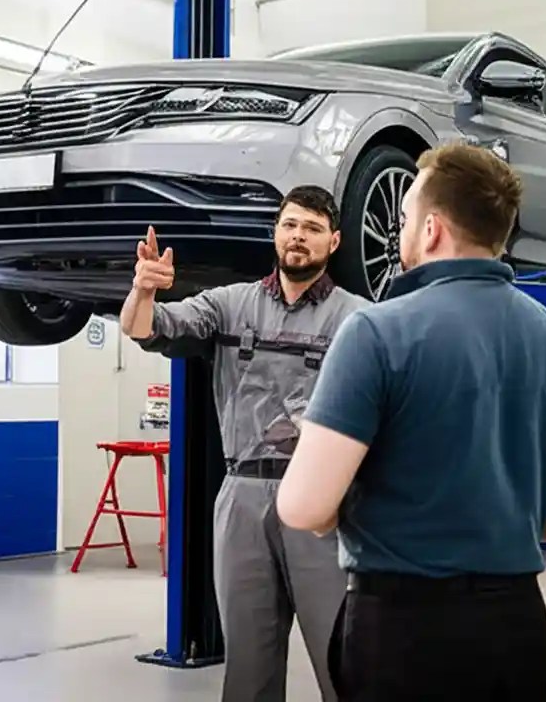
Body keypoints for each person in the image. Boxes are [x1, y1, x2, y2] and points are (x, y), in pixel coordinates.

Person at [276, 141, 546, 701]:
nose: (400, 231)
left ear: (431, 230)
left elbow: (304, 506)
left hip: (401, 627)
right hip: (515, 626)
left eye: (405, 218)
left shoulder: (375, 333)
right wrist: (514, 521)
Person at [120, 185, 369, 702]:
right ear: (275, 232)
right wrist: (143, 290)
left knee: (344, 660)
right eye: (290, 225)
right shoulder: (230, 304)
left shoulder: (359, 320)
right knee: (248, 666)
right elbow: (143, 329)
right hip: (242, 499)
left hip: (323, 503)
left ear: (334, 241)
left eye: (312, 228)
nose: (298, 236)